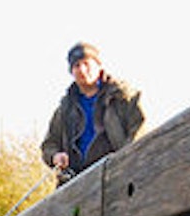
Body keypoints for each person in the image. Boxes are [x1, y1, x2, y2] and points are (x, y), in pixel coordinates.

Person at [41, 42, 145, 183]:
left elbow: (139, 131)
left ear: (98, 65)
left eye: (86, 63)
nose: (82, 70)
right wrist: (55, 157)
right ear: (72, 72)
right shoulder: (65, 108)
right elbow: (49, 144)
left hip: (117, 175)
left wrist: (123, 160)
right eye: (77, 66)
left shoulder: (123, 96)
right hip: (77, 182)